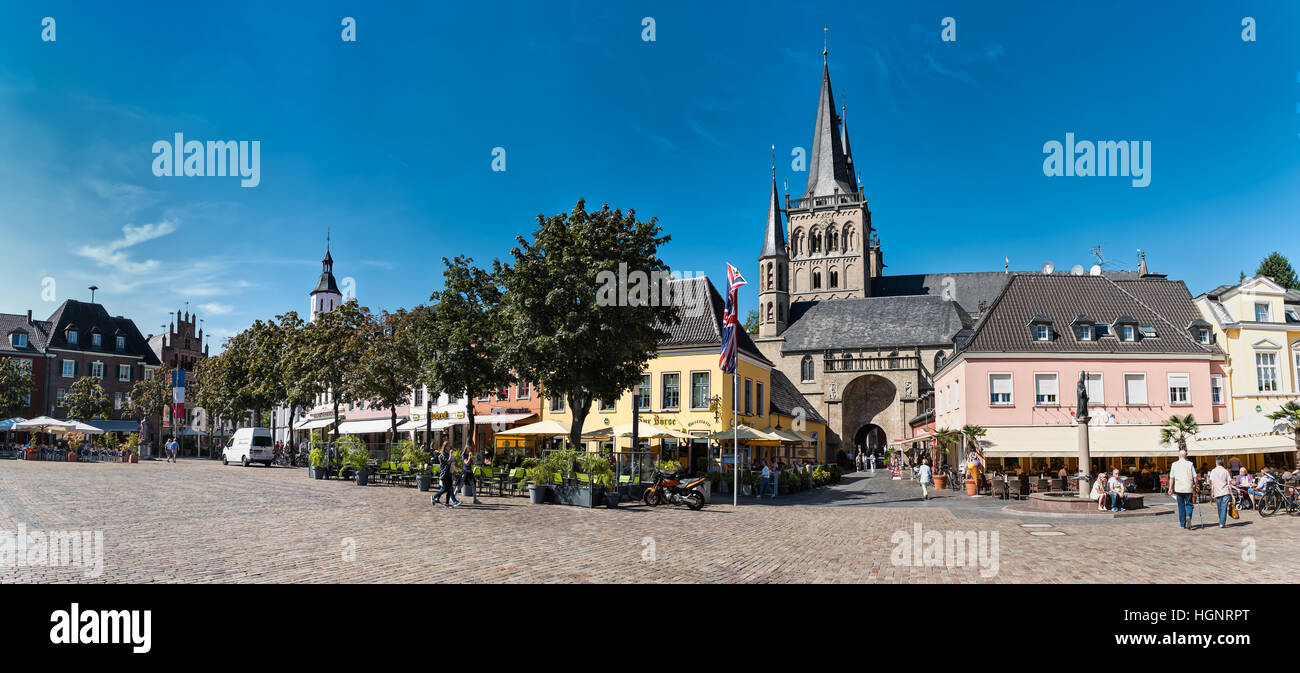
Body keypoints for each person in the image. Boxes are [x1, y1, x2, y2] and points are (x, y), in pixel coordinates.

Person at [1169, 449, 1197, 530]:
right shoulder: (1190, 464)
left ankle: (1182, 524)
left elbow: (1171, 478)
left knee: (1181, 506)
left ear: (1179, 456)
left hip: (1179, 488)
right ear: (1185, 456)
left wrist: (1170, 488)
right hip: (1188, 487)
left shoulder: (1174, 464)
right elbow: (1195, 476)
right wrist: (1196, 485)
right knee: (1189, 504)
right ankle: (1188, 516)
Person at [431, 442, 460, 508]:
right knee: (445, 489)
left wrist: (460, 468)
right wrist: (450, 454)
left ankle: (447, 504)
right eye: (448, 446)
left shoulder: (447, 454)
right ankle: (434, 496)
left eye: (450, 446)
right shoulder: (443, 455)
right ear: (445, 447)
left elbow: (453, 462)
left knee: (450, 489)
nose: (449, 448)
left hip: (449, 473)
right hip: (444, 474)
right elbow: (448, 462)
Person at [1208, 457, 1232, 528]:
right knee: (1224, 508)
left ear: (1216, 463)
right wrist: (1231, 493)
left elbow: (1212, 483)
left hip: (1217, 491)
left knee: (1219, 508)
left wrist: (1212, 492)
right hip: (1225, 491)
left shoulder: (1213, 471)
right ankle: (1222, 522)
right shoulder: (1226, 471)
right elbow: (1229, 483)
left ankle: (1221, 522)